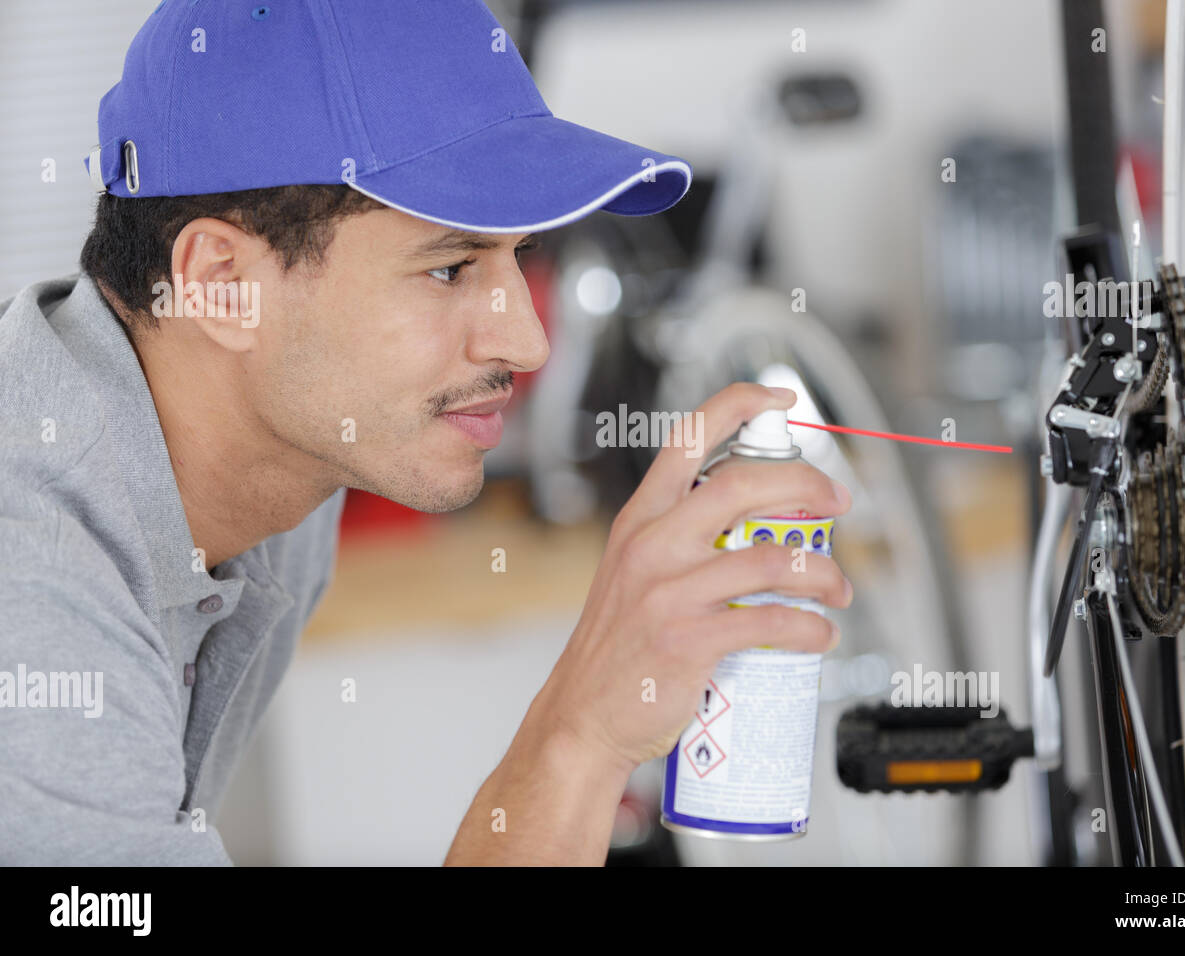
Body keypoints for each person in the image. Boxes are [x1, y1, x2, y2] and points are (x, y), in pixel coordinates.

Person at [0, 0, 851, 865]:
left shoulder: (285, 470)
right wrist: (579, 737)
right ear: (222, 284)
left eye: (519, 257)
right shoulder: (35, 603)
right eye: (449, 267)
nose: (527, 340)